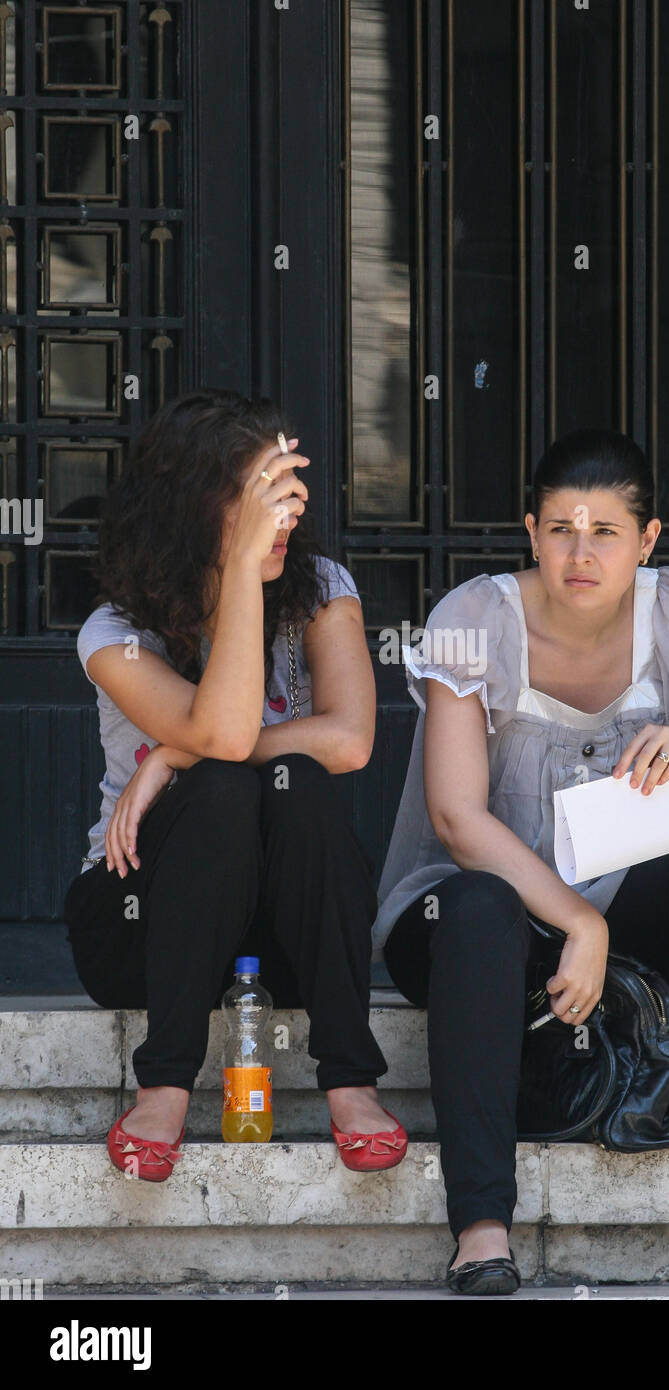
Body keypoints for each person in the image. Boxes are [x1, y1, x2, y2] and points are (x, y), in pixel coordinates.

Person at [374, 429, 669, 1295]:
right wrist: (576, 920)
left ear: (645, 542)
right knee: (477, 907)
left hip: (622, 921)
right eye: (561, 529)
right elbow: (458, 819)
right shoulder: (476, 617)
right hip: (478, 926)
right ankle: (482, 1222)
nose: (582, 552)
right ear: (530, 531)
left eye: (606, 531)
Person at [63, 387, 406, 1181]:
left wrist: (165, 757)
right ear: (193, 503)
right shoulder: (116, 630)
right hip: (138, 926)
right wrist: (241, 578)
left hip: (279, 936)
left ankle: (350, 1078)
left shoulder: (320, 589)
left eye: (285, 494)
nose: (282, 517)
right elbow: (221, 735)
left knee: (295, 781)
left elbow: (351, 741)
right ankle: (165, 1086)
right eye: (259, 497)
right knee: (223, 783)